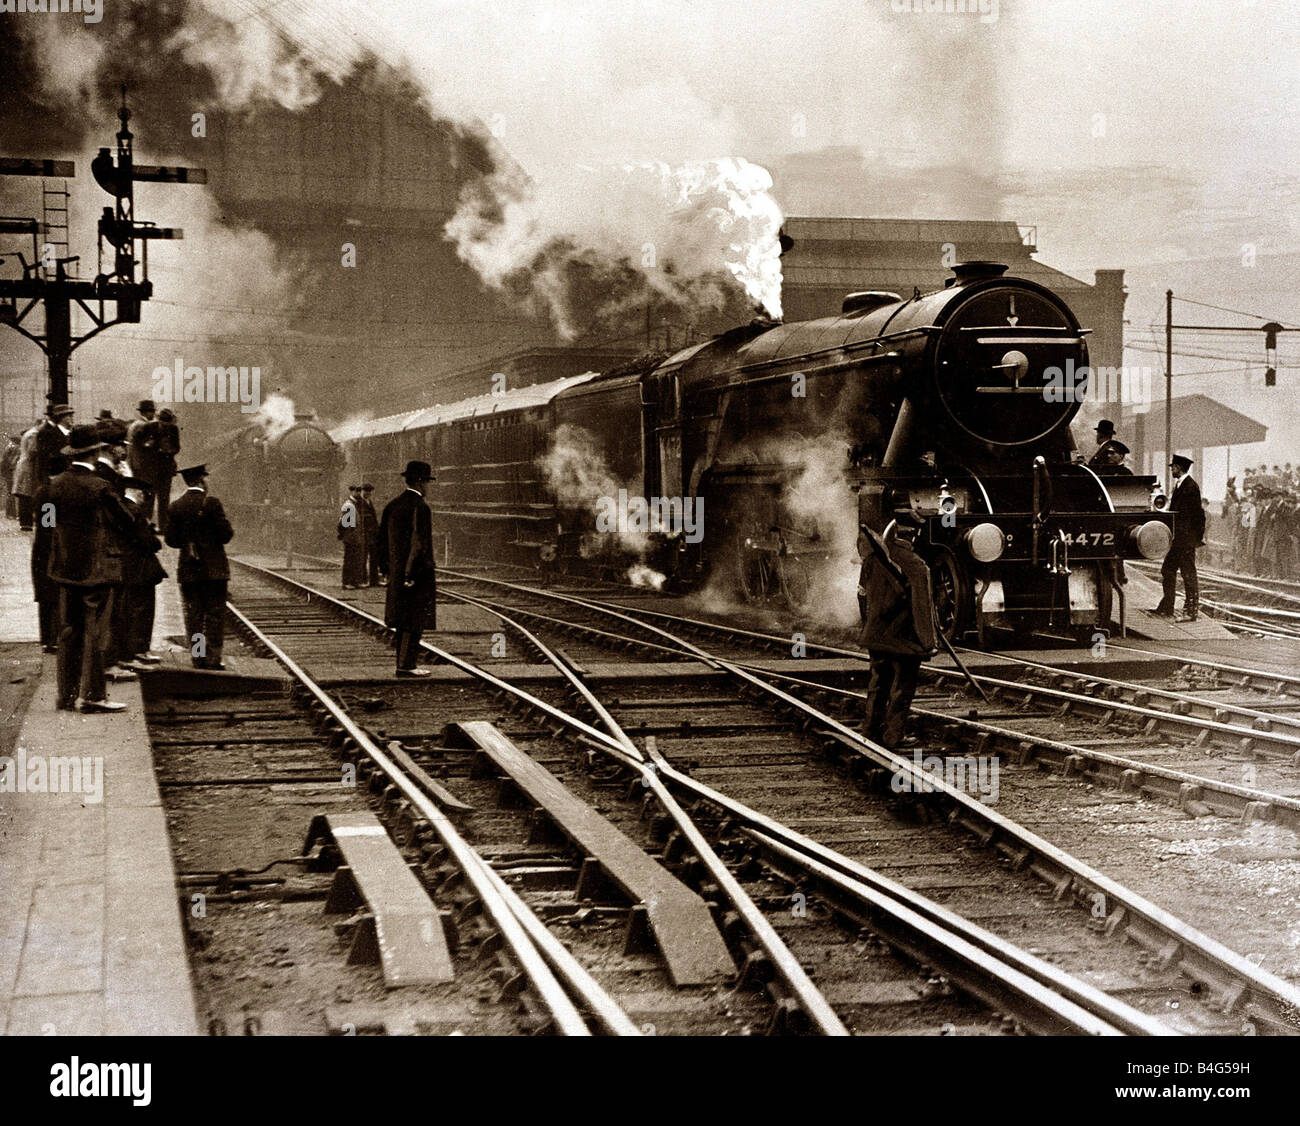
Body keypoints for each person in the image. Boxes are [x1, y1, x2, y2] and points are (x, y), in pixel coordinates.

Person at [45, 425, 138, 713]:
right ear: (96, 452)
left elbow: (48, 525)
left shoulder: (55, 484)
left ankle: (67, 696)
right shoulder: (101, 487)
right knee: (96, 633)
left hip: (64, 569)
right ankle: (94, 695)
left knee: (68, 631)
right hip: (97, 571)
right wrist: (131, 498)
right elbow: (127, 522)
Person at [857, 513, 939, 750]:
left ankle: (869, 731)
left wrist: (870, 624)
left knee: (878, 684)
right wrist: (927, 642)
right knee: (902, 689)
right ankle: (893, 737)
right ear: (912, 535)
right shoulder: (916, 565)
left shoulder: (871, 561)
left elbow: (861, 596)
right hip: (904, 639)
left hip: (876, 636)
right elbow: (921, 607)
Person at [165, 464, 234, 670]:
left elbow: (171, 540)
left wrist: (189, 542)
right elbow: (226, 535)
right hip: (215, 571)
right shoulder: (212, 503)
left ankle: (198, 657)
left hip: (189, 570)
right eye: (206, 477)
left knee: (193, 616)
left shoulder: (176, 506)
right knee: (214, 615)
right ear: (201, 480)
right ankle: (213, 659)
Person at [377, 460, 437, 676]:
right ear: (420, 483)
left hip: (395, 573)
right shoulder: (420, 508)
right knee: (414, 620)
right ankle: (406, 665)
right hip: (415, 574)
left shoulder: (392, 505)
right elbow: (418, 543)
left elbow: (381, 541)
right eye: (427, 482)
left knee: (402, 620)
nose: (428, 487)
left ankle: (404, 664)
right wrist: (411, 574)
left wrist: (385, 569)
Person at [1152, 454, 1205, 621]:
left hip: (1185, 539)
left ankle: (1191, 610)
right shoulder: (1182, 485)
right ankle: (1167, 606)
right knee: (1168, 570)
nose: (1172, 470)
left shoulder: (1190, 487)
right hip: (1179, 539)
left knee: (1188, 573)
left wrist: (1196, 538)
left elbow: (1198, 515)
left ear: (1179, 468)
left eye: (1173, 467)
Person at [120, 481, 166, 666]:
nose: (144, 498)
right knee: (143, 611)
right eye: (143, 494)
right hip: (140, 569)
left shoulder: (123, 508)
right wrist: (155, 540)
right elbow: (148, 541)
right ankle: (140, 650)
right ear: (136, 492)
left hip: (128, 568)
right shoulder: (135, 511)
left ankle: (131, 650)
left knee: (130, 610)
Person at [30, 453, 65, 653]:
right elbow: (48, 525)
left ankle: (49, 638)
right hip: (48, 551)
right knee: (50, 596)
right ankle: (50, 640)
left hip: (42, 551)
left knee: (47, 598)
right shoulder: (50, 493)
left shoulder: (45, 490)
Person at [127, 399, 159, 520]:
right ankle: (146, 520)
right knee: (147, 494)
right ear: (147, 412)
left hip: (135, 463)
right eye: (152, 412)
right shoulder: (143, 425)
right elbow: (144, 444)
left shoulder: (134, 424)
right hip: (143, 464)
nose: (153, 415)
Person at [154, 407, 180, 533]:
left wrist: (168, 452)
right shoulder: (155, 428)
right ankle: (160, 525)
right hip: (157, 466)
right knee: (159, 497)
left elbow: (177, 447)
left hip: (165, 466)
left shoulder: (173, 429)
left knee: (164, 497)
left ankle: (163, 525)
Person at [12, 420, 39, 530]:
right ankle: (27, 523)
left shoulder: (29, 433)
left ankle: (25, 523)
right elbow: (33, 451)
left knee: (24, 495)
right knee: (27, 495)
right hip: (29, 468)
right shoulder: (34, 434)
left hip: (24, 467)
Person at [339, 484, 366, 589]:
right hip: (351, 537)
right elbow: (345, 524)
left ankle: (355, 581)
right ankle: (347, 582)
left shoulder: (356, 504)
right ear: (351, 492)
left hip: (356, 537)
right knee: (349, 560)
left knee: (356, 560)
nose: (358, 493)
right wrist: (351, 536)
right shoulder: (349, 505)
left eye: (359, 491)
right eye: (356, 491)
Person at [360, 483, 381, 586]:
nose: (367, 493)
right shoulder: (359, 503)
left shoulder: (369, 502)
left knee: (374, 558)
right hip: (363, 535)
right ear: (362, 491)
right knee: (363, 558)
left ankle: (374, 581)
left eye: (369, 492)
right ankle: (363, 580)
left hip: (372, 535)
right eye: (365, 491)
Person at [1, 434, 18, 519]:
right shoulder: (13, 449)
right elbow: (10, 462)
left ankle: (10, 513)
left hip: (8, 473)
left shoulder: (9, 448)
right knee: (11, 493)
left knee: (10, 493)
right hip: (10, 473)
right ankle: (11, 513)